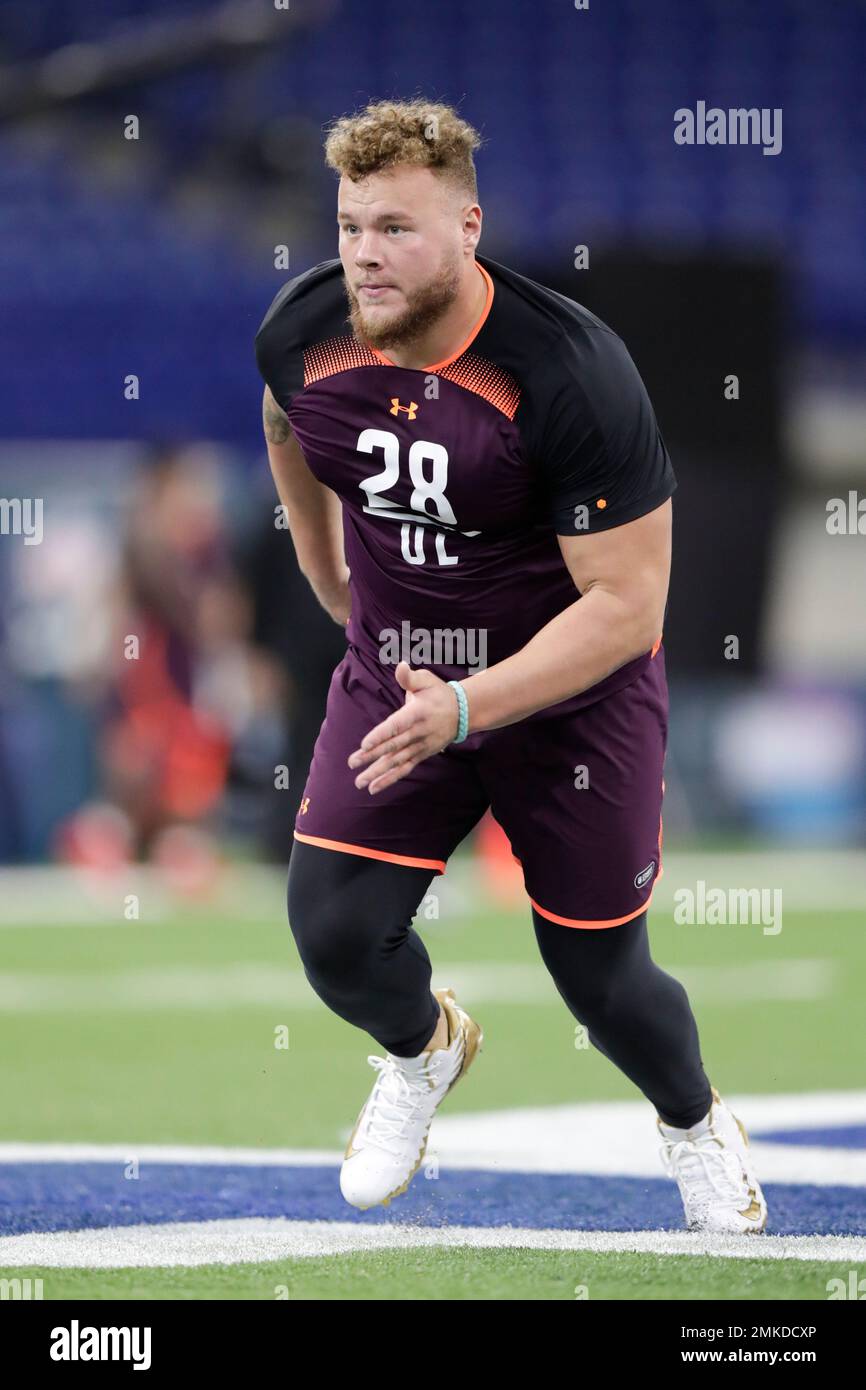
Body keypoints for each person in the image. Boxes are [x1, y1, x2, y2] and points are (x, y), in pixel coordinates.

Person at [254, 98, 767, 1233]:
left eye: (394, 227)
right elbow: (288, 419)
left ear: (469, 227)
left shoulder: (569, 371)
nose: (363, 256)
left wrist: (473, 706)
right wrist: (326, 570)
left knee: (600, 979)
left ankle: (692, 1123)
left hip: (568, 702)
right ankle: (424, 1050)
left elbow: (628, 607)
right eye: (347, 227)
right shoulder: (306, 330)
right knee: (334, 933)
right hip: (400, 677)